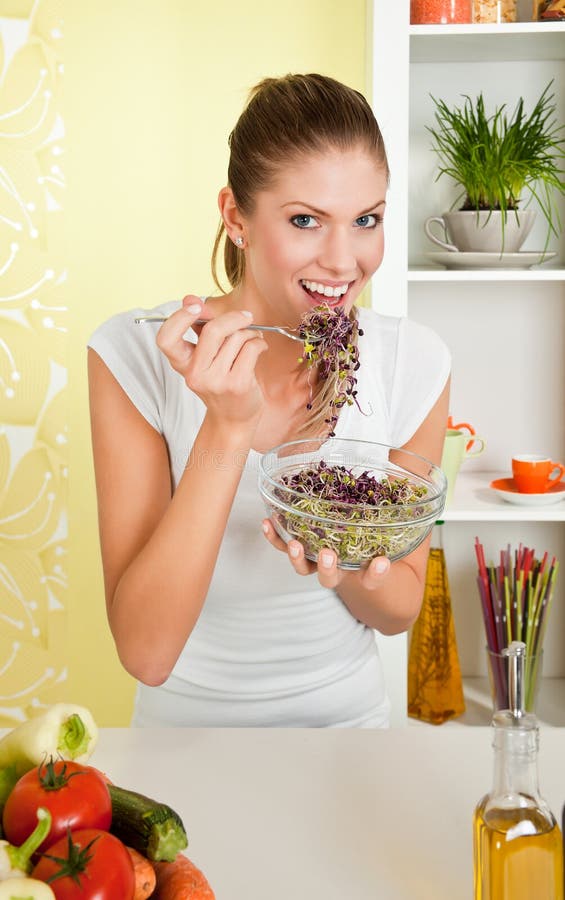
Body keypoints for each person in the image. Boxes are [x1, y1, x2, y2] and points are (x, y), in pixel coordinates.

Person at [87, 73, 450, 728]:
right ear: (235, 216)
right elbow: (146, 653)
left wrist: (330, 553)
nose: (344, 261)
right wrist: (227, 428)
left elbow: (398, 610)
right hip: (182, 745)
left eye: (365, 219)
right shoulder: (132, 354)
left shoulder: (413, 361)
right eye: (306, 220)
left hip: (348, 739)